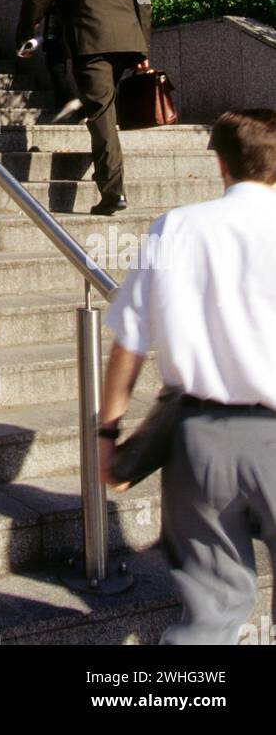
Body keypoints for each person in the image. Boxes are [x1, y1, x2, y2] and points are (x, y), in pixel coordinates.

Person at [100, 109, 276, 646]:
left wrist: (108, 432)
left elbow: (130, 339)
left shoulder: (176, 226)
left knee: (211, 612)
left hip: (199, 438)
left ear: (220, 164)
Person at [15, 0, 150, 214]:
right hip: (128, 40)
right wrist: (143, 47)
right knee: (105, 108)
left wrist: (24, 35)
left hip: (92, 44)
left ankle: (113, 192)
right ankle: (106, 167)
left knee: (101, 113)